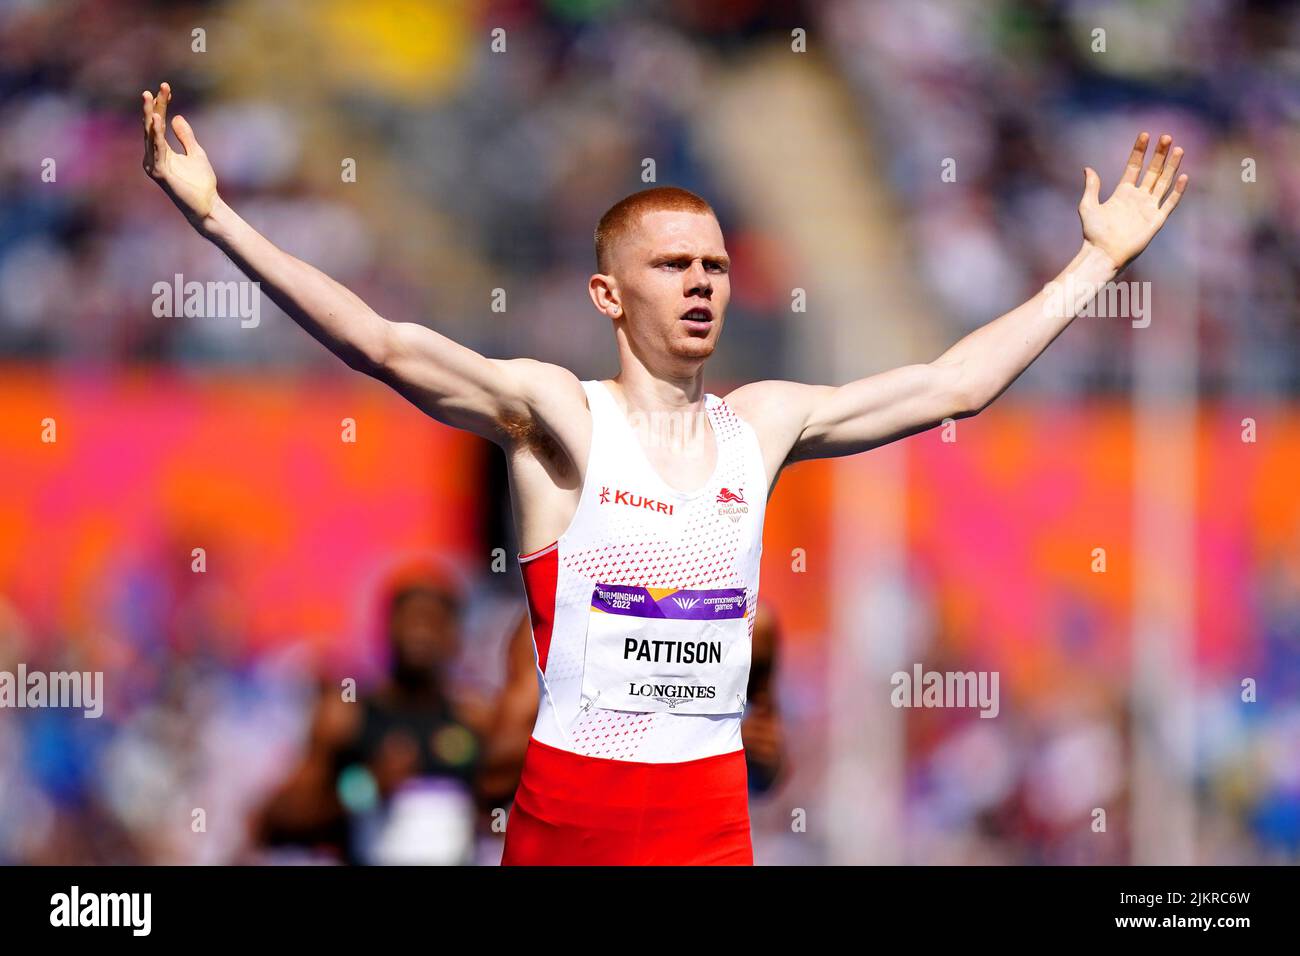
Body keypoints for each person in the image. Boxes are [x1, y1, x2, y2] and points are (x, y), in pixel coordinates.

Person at [142, 82, 1188, 863]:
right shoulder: (558, 414)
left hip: (706, 820)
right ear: (607, 293)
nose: (701, 285)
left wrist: (1094, 262)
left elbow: (953, 384)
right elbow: (384, 342)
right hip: (571, 816)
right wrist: (217, 217)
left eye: (717, 267)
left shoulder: (762, 424)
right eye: (673, 265)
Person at [252, 562, 492, 865]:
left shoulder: (475, 720)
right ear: (387, 626)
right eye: (411, 619)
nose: (420, 633)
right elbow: (277, 818)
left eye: (433, 621)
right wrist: (367, 788)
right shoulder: (345, 717)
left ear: (453, 635)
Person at [478, 599, 787, 813]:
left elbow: (767, 766)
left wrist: (740, 750)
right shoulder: (565, 609)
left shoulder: (749, 623)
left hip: (691, 841)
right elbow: (494, 777)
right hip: (583, 838)